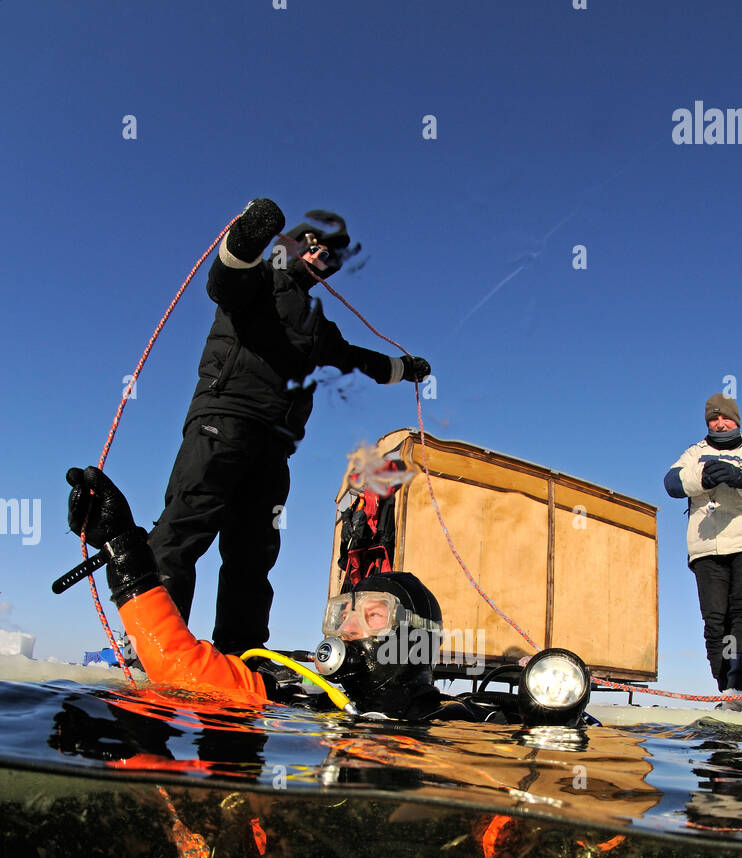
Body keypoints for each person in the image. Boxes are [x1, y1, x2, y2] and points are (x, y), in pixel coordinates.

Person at [67, 468, 574, 726]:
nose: (346, 629)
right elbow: (178, 666)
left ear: (415, 640)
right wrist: (124, 551)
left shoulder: (464, 719)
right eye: (341, 614)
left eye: (373, 615)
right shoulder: (294, 698)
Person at [146, 198, 431, 655]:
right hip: (223, 423)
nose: (321, 258)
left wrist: (405, 367)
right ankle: (155, 646)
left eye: (330, 258)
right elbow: (225, 278)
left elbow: (358, 359)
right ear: (292, 246)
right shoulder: (257, 279)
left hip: (274, 448)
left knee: (253, 555)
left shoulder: (317, 323)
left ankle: (239, 657)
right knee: (182, 531)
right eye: (314, 247)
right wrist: (248, 235)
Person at [664, 393, 742, 711]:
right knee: (715, 621)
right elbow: (672, 483)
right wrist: (701, 476)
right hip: (706, 548)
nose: (719, 422)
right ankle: (724, 690)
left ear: (736, 421)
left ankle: (737, 684)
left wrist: (741, 477)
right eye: (713, 419)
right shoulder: (694, 452)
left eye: (725, 417)